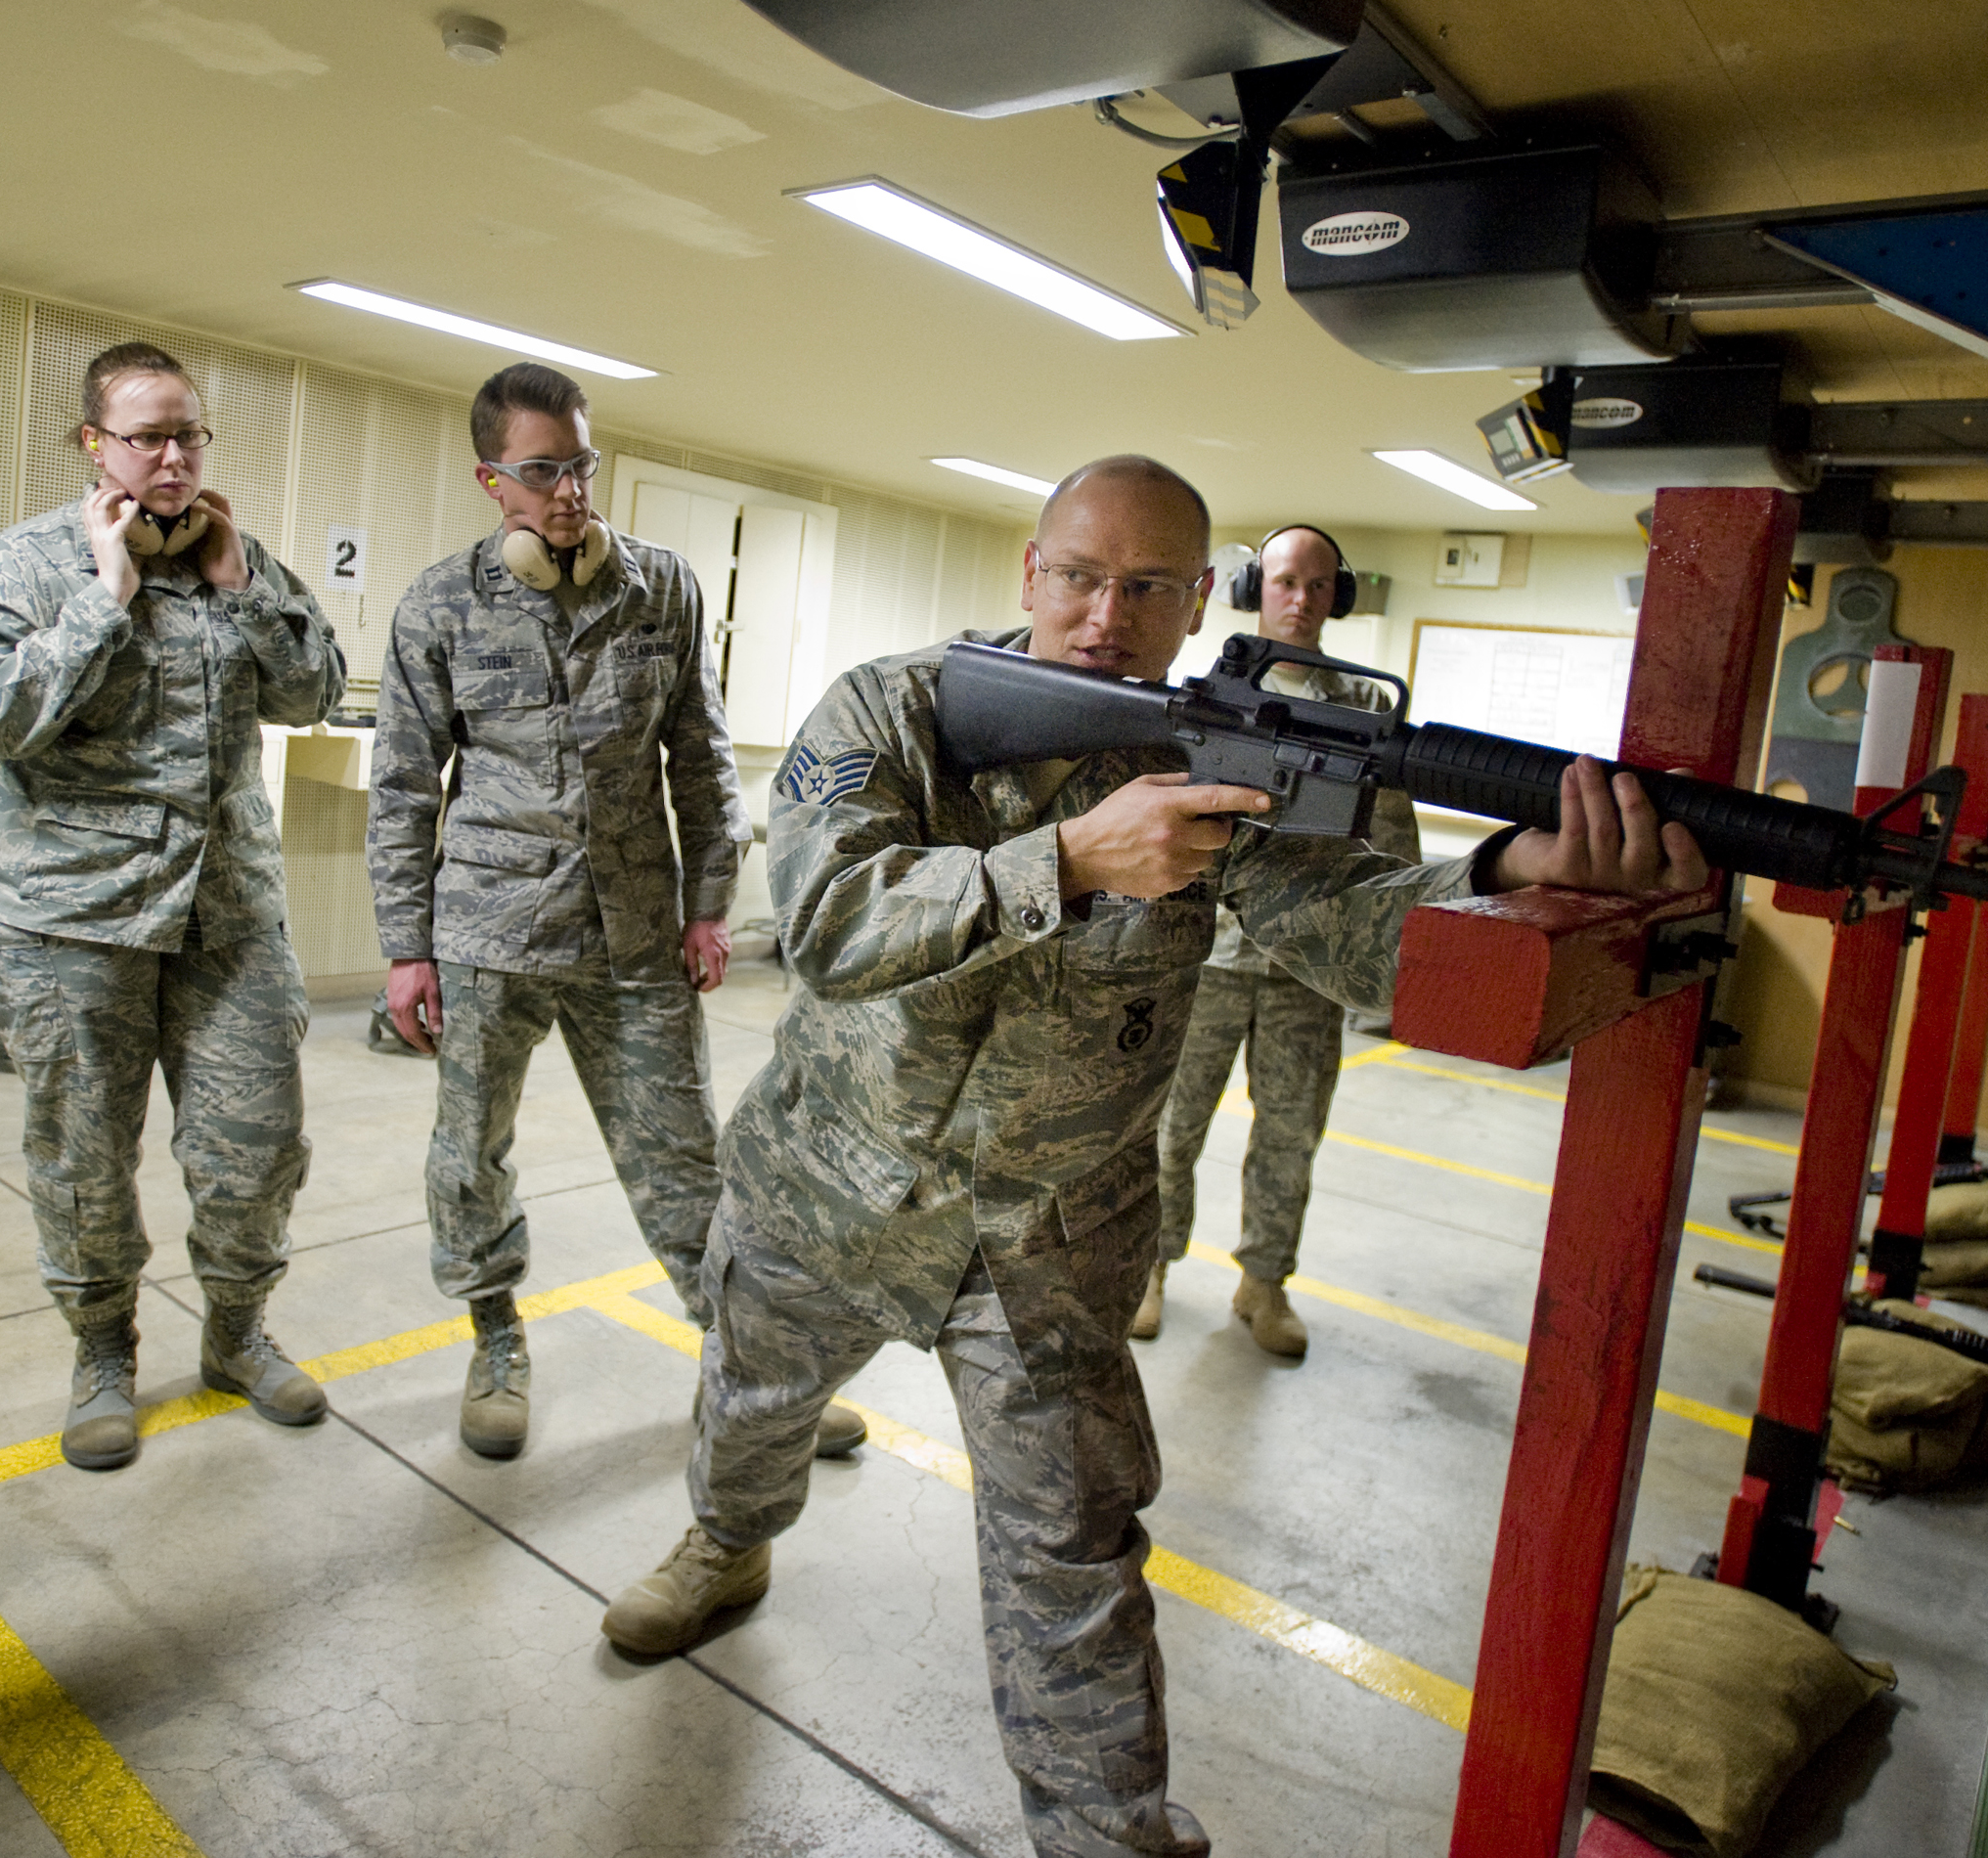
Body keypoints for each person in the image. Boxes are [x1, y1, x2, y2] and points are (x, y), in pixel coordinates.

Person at [596, 456, 1707, 1857]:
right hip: (826, 1185)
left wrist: (1498, 877)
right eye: (1078, 576)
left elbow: (1340, 932)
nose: (1103, 615)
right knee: (750, 1410)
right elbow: (821, 918)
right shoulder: (896, 707)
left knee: (1073, 1546)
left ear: (1200, 607)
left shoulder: (1218, 761)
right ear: (1029, 573)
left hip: (1046, 1236)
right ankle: (726, 1543)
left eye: (1146, 589)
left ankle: (1106, 1833)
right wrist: (1066, 859)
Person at [367, 363, 860, 1461]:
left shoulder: (663, 588)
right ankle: (495, 1336)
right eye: (543, 470)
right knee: (470, 1150)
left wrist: (710, 905)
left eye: (582, 463)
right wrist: (405, 949)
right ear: (493, 477)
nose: (571, 491)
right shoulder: (441, 604)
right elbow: (404, 785)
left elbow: (702, 755)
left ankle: (748, 1368)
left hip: (635, 931)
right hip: (490, 931)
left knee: (687, 1155)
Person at [0, 342, 346, 1472]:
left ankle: (235, 1333)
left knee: (255, 1146)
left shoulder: (238, 557)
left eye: (189, 435)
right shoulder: (22, 565)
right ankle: (102, 1355)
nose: (173, 457)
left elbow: (317, 689)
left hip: (226, 915)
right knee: (82, 1155)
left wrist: (242, 588)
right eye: (147, 436)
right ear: (94, 444)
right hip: (70, 920)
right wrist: (100, 603)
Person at [1142, 524, 1422, 1355]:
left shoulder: (1369, 705)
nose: (1300, 599)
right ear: (1252, 588)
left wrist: (1388, 952)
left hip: (1315, 962)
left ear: (1341, 595)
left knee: (1291, 1130)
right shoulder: (1214, 688)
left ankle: (1264, 1283)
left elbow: (1393, 843)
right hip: (1210, 953)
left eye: (1319, 584)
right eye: (1285, 581)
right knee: (1170, 1124)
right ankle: (1149, 1267)